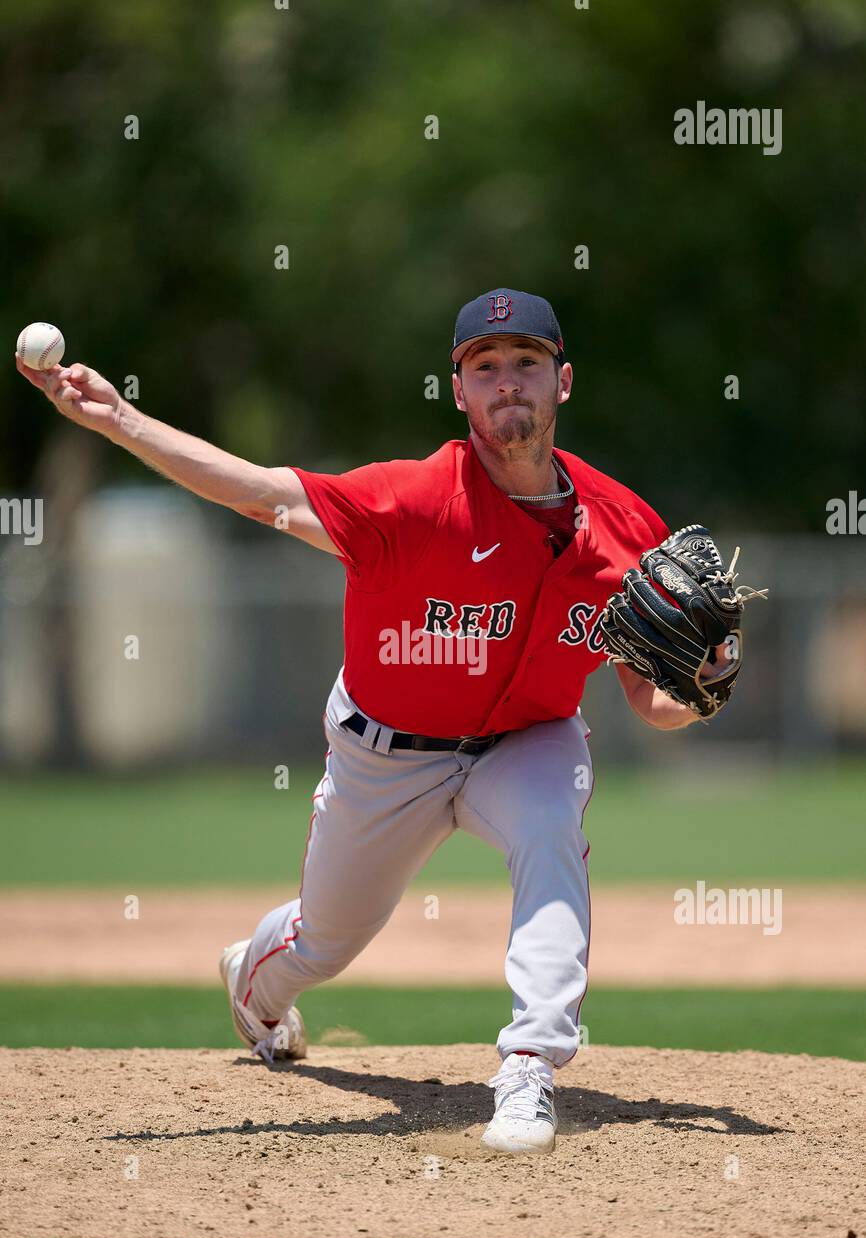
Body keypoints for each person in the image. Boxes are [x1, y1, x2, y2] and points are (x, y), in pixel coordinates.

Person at [17, 288, 720, 1155]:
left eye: (526, 364)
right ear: (459, 392)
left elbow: (649, 703)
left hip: (528, 742)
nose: (508, 385)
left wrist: (701, 689)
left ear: (562, 382)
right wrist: (122, 419)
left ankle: (531, 1064)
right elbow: (255, 493)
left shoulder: (623, 530)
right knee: (326, 941)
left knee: (550, 826)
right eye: (485, 368)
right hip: (387, 757)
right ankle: (252, 982)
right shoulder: (409, 502)